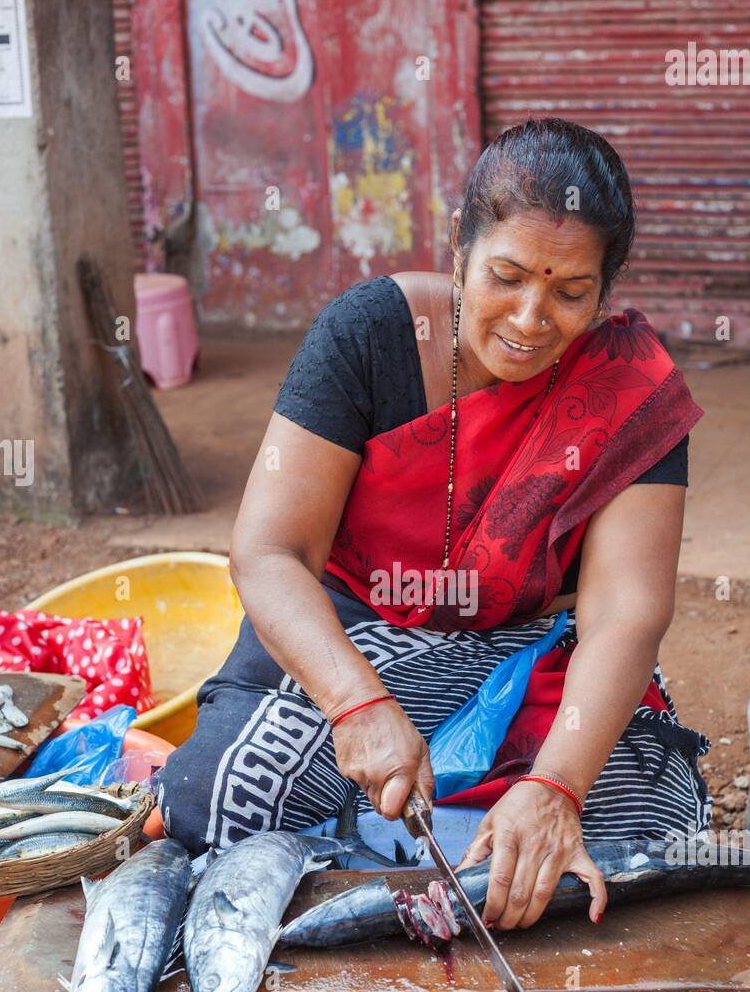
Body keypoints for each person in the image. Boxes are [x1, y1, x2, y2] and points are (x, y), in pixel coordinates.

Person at [156, 117, 711, 931]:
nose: (530, 319)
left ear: (606, 289)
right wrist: (354, 704)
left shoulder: (632, 392)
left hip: (524, 647)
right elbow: (271, 553)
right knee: (216, 798)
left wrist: (555, 785)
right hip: (358, 628)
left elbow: (625, 612)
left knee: (647, 836)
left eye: (570, 292)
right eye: (508, 276)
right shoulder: (367, 335)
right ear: (459, 246)